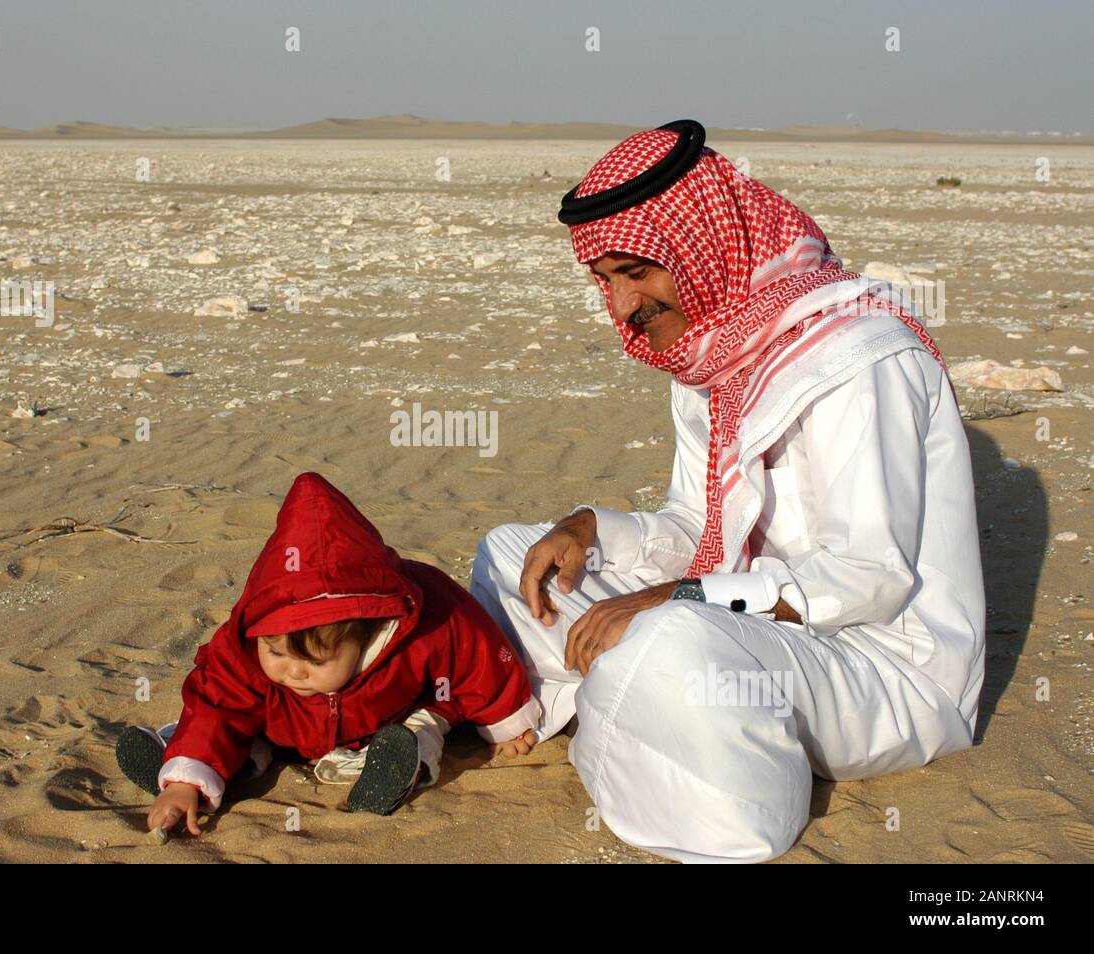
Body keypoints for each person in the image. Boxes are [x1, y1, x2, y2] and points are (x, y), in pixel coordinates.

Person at [469, 120, 984, 863]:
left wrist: (673, 601)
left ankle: (661, 730)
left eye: (635, 272)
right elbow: (698, 523)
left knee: (673, 638)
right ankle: (636, 695)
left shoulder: (858, 359)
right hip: (747, 625)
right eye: (603, 279)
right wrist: (588, 531)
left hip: (878, 667)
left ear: (699, 247)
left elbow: (866, 578)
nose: (620, 308)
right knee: (517, 553)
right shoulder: (713, 353)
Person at [117, 472, 540, 836]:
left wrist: (504, 721)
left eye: (315, 662)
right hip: (281, 721)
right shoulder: (249, 647)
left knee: (421, 730)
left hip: (385, 718)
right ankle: (191, 766)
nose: (292, 672)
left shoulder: (421, 622)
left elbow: (475, 654)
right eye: (275, 651)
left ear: (367, 633)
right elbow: (217, 699)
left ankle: (395, 769)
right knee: (224, 728)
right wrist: (181, 783)